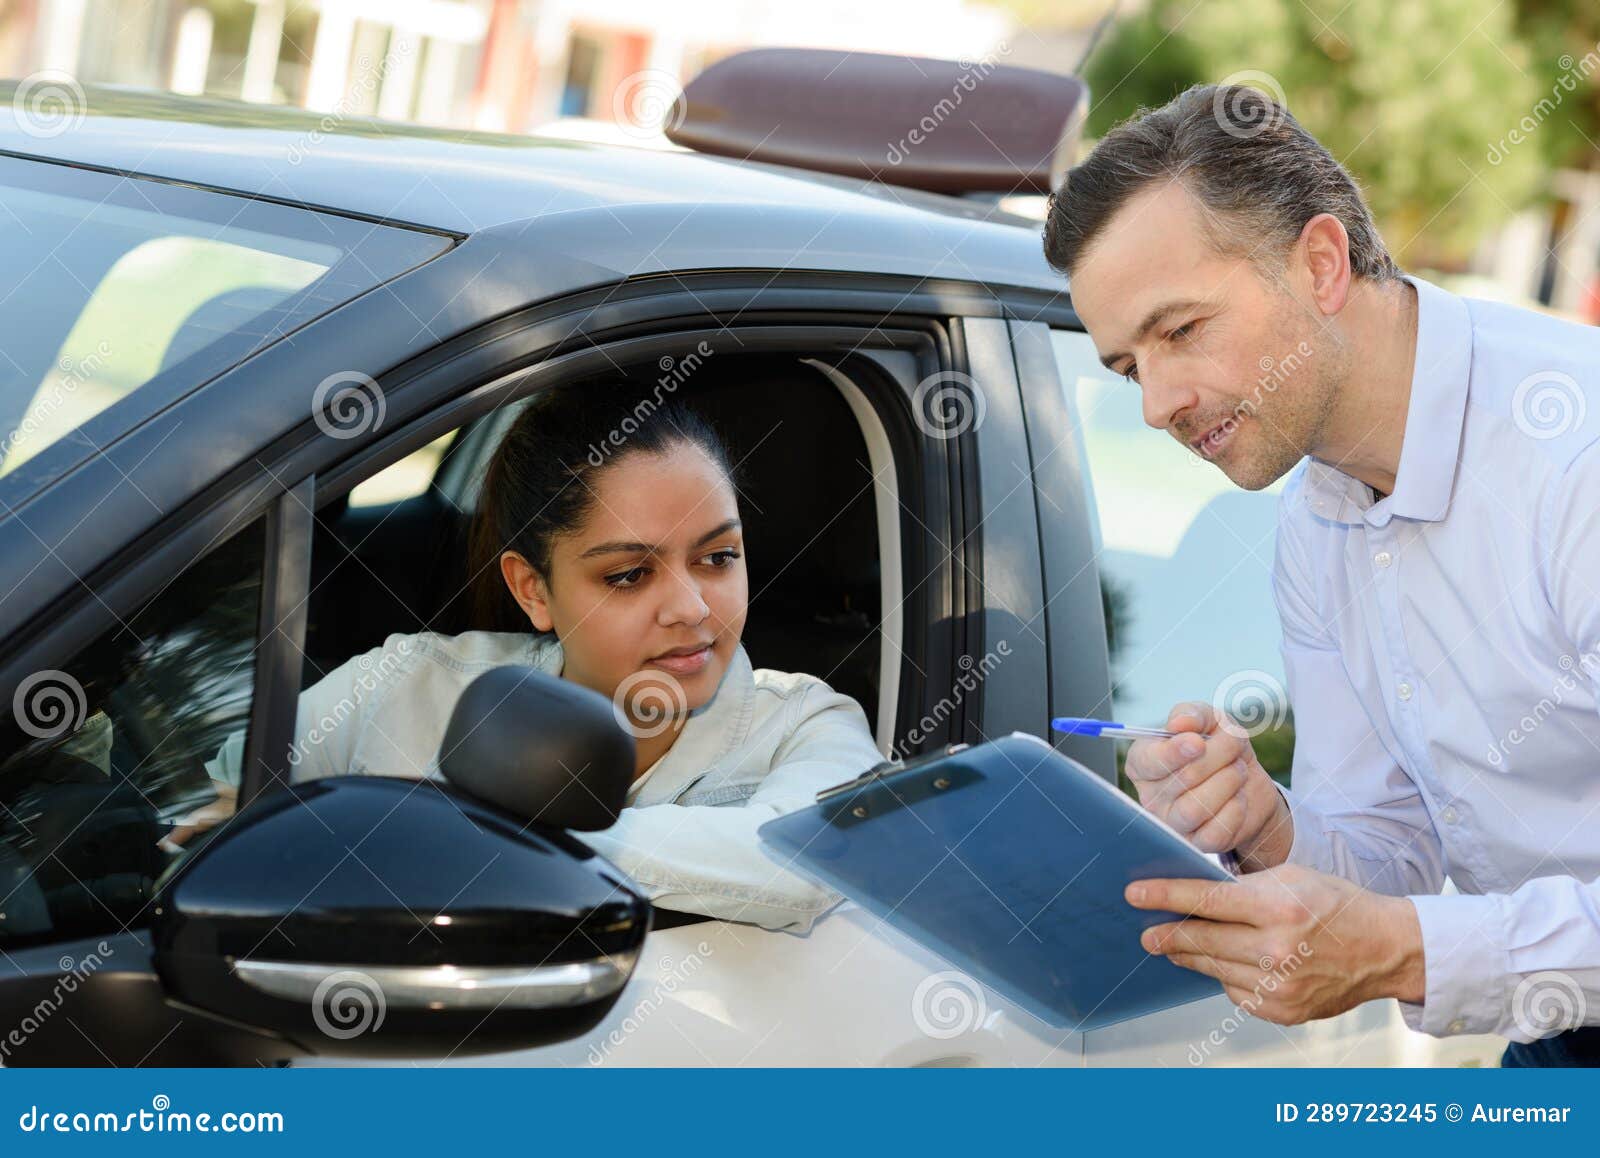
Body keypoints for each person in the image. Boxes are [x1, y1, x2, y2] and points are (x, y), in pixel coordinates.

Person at [1043, 83, 1600, 1065]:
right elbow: (1390, 854)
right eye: (1128, 366)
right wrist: (1266, 824)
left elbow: (1397, 930)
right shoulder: (1314, 521)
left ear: (1320, 262)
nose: (1158, 404)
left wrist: (1401, 950)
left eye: (1180, 331)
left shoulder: (1575, 463)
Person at [203, 387, 883, 931]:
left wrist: (469, 842)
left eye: (717, 559)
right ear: (534, 590)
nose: (692, 608)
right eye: (629, 575)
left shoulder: (807, 725)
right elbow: (220, 813)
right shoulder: (408, 687)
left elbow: (809, 863)